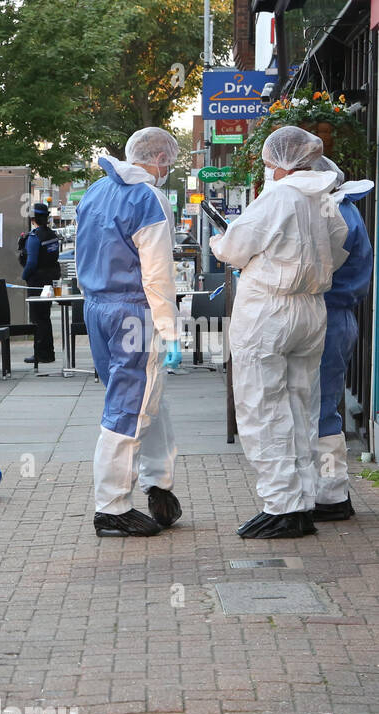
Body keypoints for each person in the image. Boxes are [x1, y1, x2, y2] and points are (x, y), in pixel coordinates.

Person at [210, 126, 348, 538]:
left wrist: (220, 241)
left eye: (269, 163)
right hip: (311, 309)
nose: (268, 170)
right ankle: (303, 501)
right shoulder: (324, 199)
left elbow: (235, 247)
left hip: (269, 310)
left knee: (263, 406)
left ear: (281, 162)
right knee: (301, 405)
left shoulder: (278, 197)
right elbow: (339, 248)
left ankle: (282, 505)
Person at [75, 127, 184, 537]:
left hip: (98, 307)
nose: (167, 170)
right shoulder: (148, 199)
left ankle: (159, 484)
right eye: (168, 163)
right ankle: (112, 507)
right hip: (134, 314)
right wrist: (169, 328)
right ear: (157, 158)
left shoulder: (96, 191)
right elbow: (157, 274)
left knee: (144, 400)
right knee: (128, 407)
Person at [309, 155, 373, 522]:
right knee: (322, 408)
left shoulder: (336, 214)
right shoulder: (342, 208)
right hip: (333, 314)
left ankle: (332, 494)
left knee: (322, 410)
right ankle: (329, 491)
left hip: (327, 315)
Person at [22, 202, 61, 364]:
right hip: (50, 279)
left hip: (36, 281)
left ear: (33, 219)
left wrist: (25, 276)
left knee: (38, 319)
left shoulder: (34, 237)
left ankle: (41, 354)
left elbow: (31, 262)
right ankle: (48, 353)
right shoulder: (52, 235)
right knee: (45, 317)